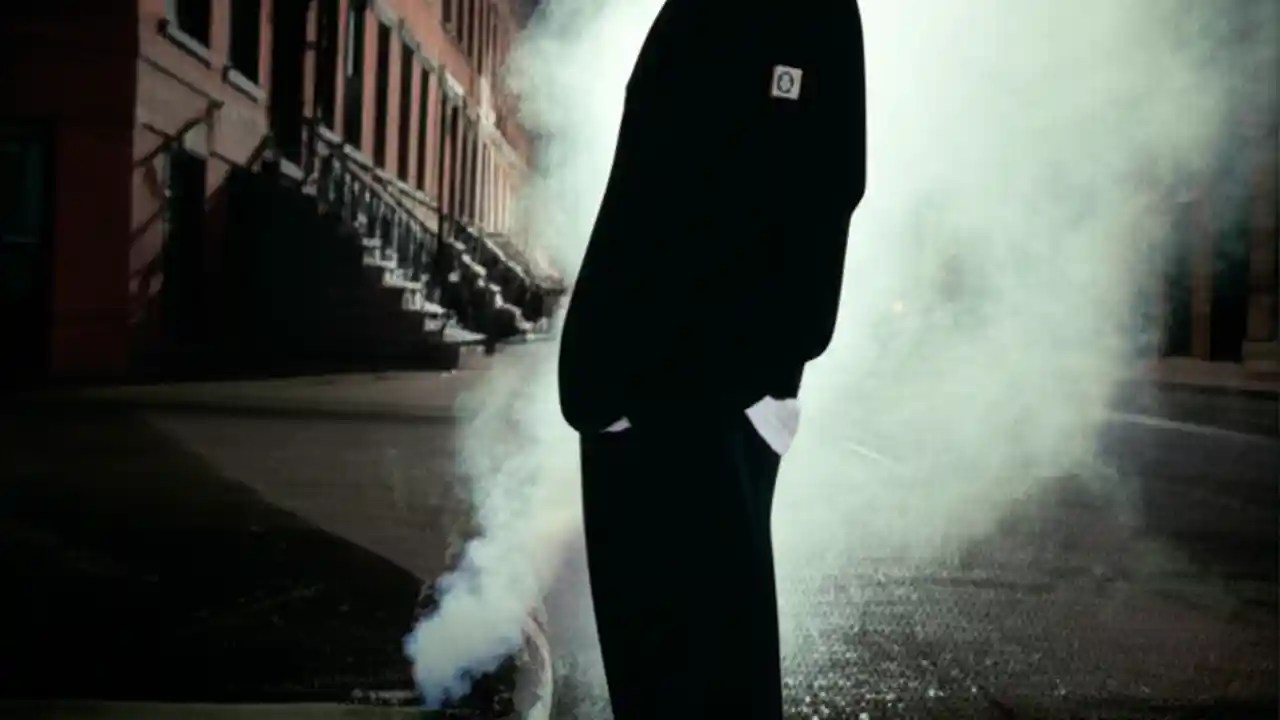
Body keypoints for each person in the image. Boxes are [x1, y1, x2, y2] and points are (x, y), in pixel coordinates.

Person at [557, 0, 866, 717]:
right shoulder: (693, 11)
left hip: (716, 400)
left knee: (716, 680)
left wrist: (762, 380)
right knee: (654, 674)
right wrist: (599, 386)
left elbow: (829, 186)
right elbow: (641, 186)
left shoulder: (811, 15)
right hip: (631, 392)